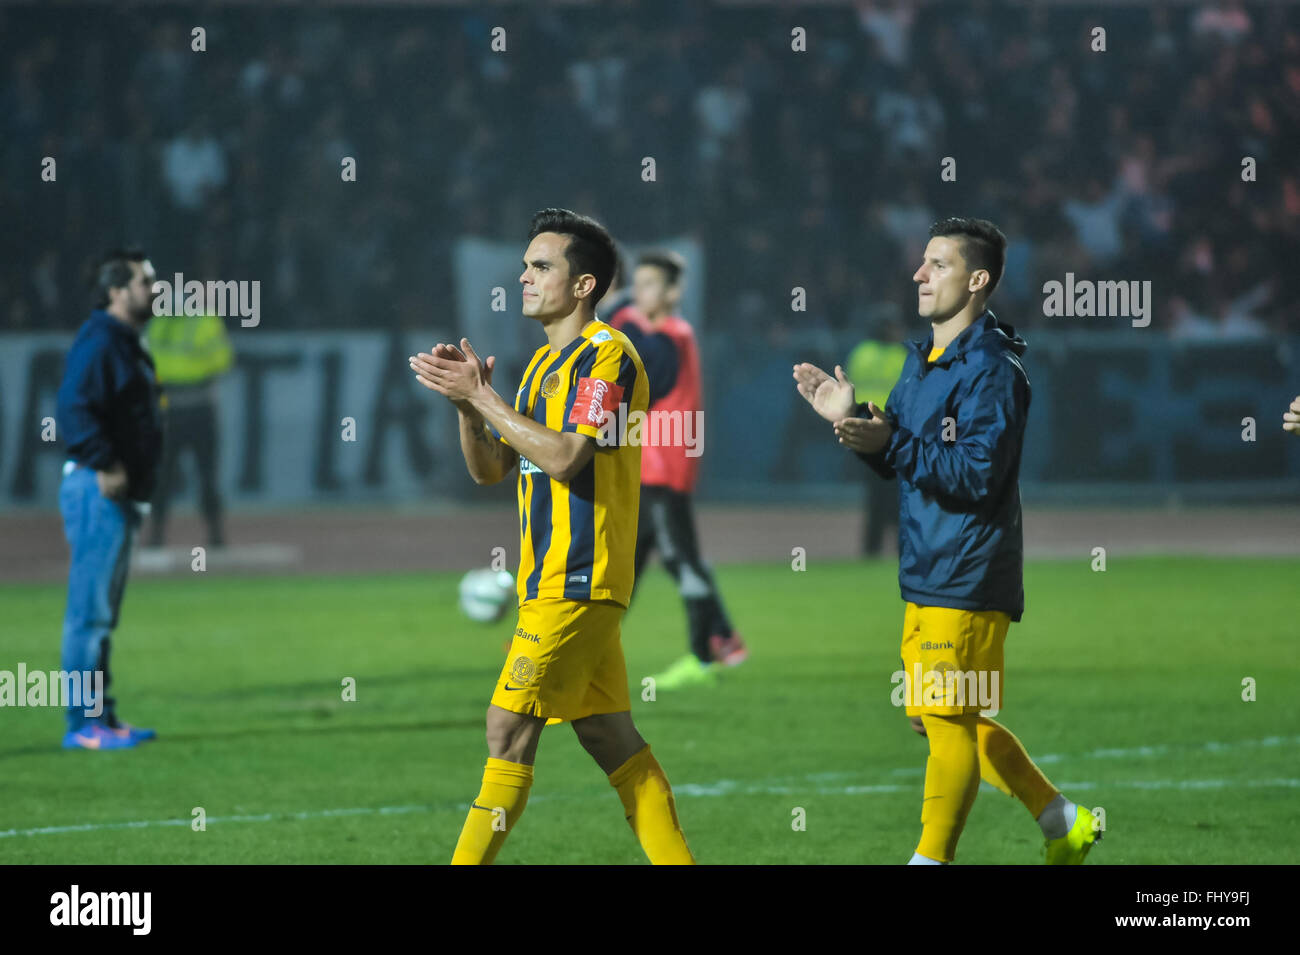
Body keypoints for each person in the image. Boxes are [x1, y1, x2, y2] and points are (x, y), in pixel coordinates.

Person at [793, 217, 1099, 865]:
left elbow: (977, 475)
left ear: (977, 279)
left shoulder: (993, 370)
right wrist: (850, 418)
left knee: (947, 720)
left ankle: (928, 861)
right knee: (930, 715)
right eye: (922, 262)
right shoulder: (923, 361)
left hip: (969, 569)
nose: (919, 274)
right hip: (929, 568)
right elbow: (906, 458)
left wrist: (892, 441)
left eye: (937, 264)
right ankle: (1060, 818)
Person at [409, 208, 694, 865]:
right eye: (526, 265)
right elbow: (492, 471)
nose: (525, 277)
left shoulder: (607, 359)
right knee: (610, 739)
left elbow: (568, 457)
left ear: (584, 284)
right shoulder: (541, 366)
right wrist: (467, 407)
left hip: (578, 577)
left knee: (506, 729)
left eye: (542, 266)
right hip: (552, 579)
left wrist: (485, 399)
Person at [605, 250, 748, 690]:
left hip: (665, 465)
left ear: (672, 293)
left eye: (650, 284)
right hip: (645, 462)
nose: (638, 292)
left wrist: (609, 312)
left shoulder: (674, 335)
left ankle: (703, 656)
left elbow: (644, 364)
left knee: (677, 560)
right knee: (633, 561)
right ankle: (721, 636)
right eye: (637, 283)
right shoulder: (638, 323)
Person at [55, 248, 163, 750]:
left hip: (113, 493)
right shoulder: (101, 342)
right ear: (117, 291)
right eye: (144, 281)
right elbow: (73, 409)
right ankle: (83, 726)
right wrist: (109, 461)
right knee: (89, 616)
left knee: (101, 617)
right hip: (97, 489)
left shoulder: (119, 341)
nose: (154, 288)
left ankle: (101, 717)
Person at [145, 308, 233, 548]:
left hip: (173, 410)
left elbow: (145, 361)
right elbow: (223, 360)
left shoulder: (158, 322)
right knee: (205, 474)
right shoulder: (205, 322)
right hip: (199, 408)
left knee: (169, 475)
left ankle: (158, 535)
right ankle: (215, 534)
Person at [845, 317, 908, 556]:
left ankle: (872, 547)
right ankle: (902, 546)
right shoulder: (899, 356)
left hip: (863, 430)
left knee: (875, 492)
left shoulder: (860, 354)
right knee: (897, 491)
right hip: (892, 431)